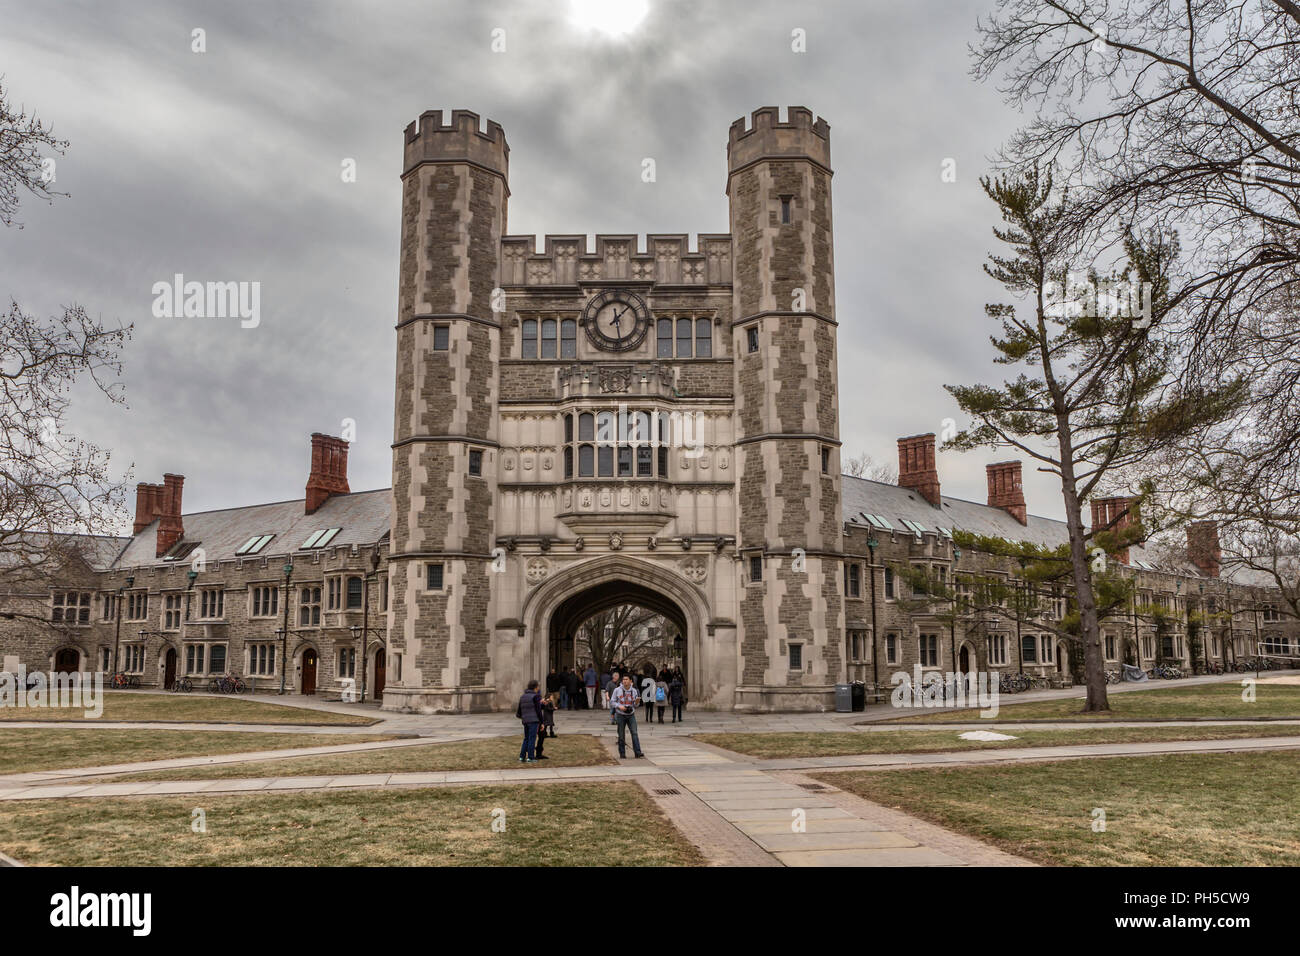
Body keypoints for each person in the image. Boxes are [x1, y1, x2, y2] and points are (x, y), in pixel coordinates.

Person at [610, 675, 645, 759]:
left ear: (630, 681)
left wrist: (636, 702)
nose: (624, 681)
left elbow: (636, 705)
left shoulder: (634, 691)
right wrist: (619, 706)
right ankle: (622, 753)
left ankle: (638, 752)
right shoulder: (617, 690)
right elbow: (612, 702)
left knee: (634, 733)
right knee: (621, 735)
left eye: (626, 679)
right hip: (620, 714)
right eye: (623, 679)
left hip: (631, 715)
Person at [516, 679, 543, 762]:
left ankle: (522, 756)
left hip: (525, 720)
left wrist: (523, 717)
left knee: (526, 738)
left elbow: (519, 711)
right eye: (538, 686)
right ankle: (530, 757)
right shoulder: (535, 696)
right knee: (532, 738)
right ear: (535, 687)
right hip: (534, 720)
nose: (538, 688)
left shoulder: (523, 696)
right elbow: (538, 710)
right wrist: (541, 722)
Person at [535, 693, 556, 758]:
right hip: (542, 718)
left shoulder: (548, 701)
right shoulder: (535, 697)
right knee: (539, 736)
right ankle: (536, 754)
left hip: (542, 718)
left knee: (542, 734)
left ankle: (537, 753)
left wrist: (543, 704)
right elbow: (542, 709)